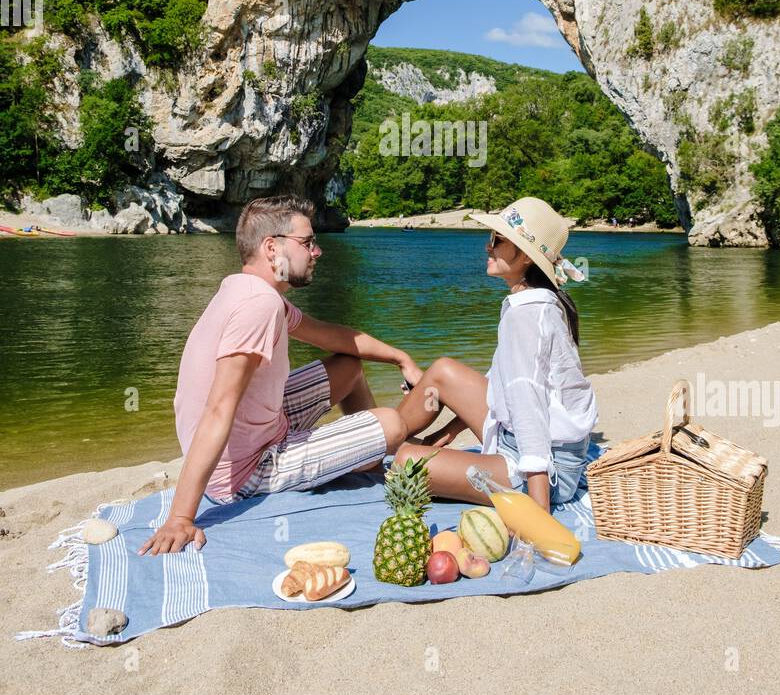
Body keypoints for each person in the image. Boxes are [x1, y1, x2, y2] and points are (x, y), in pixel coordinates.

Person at [139, 194, 427, 556]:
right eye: (307, 242)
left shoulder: (248, 289)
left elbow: (332, 336)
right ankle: (371, 452)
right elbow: (218, 409)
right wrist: (181, 517)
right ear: (272, 248)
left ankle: (366, 457)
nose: (317, 251)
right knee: (392, 424)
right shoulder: (258, 305)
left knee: (348, 367)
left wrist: (400, 358)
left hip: (257, 429)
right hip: (245, 471)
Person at [395, 197, 598, 513]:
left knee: (406, 462)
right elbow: (504, 385)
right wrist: (447, 433)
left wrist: (539, 511)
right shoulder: (537, 301)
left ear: (526, 256)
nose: (488, 247)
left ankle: (387, 448)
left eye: (498, 240)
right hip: (523, 438)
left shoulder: (526, 314)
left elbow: (529, 405)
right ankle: (383, 439)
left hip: (545, 468)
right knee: (442, 372)